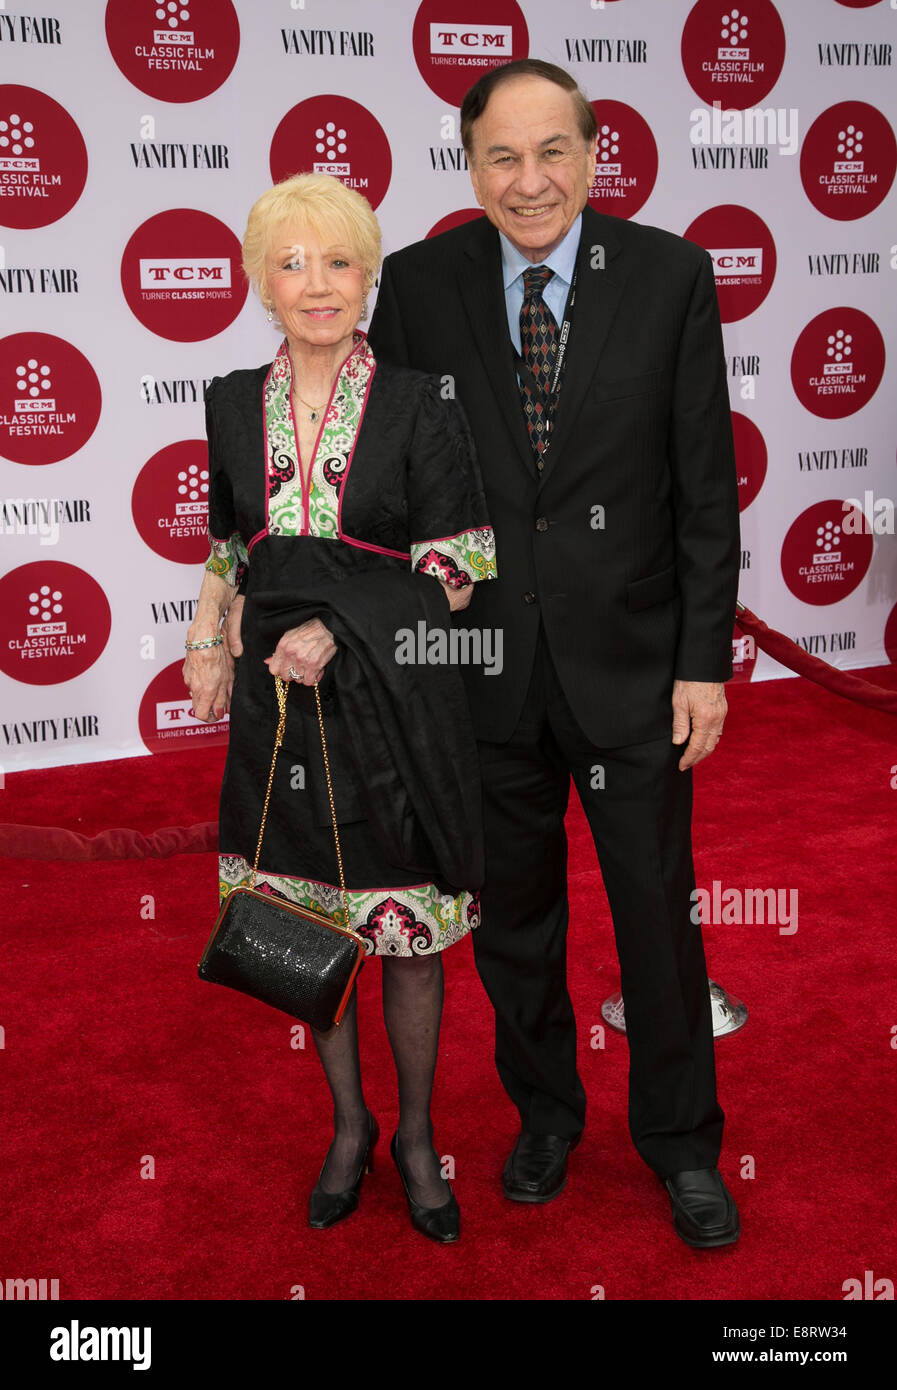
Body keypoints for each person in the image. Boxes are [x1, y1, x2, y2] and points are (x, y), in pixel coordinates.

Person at [368, 60, 742, 1248]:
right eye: (502, 157)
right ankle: (545, 1116)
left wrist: (704, 661)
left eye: (554, 153)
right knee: (517, 924)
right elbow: (396, 479)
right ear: (468, 165)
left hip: (634, 669)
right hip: (481, 670)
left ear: (594, 155)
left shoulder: (673, 275)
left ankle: (681, 1143)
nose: (530, 182)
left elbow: (703, 492)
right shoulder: (421, 285)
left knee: (655, 919)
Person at [183, 173, 496, 1244]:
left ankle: (416, 1136)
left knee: (405, 936)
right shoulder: (228, 400)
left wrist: (340, 627)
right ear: (259, 281)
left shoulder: (423, 403)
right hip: (278, 705)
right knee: (307, 921)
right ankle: (350, 1127)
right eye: (292, 262)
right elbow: (228, 545)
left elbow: (459, 569)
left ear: (369, 275)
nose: (318, 285)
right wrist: (205, 635)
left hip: (394, 697)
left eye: (340, 261)